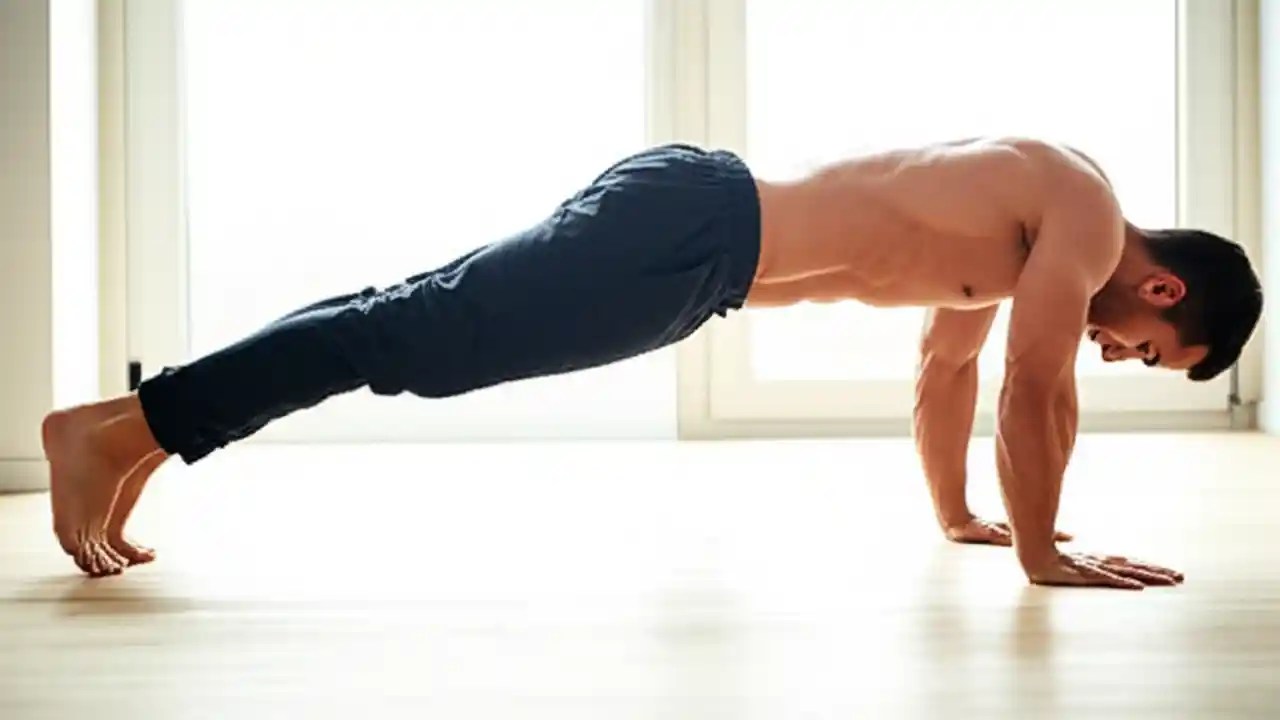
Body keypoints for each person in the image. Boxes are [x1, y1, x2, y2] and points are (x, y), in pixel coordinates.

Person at [42, 138, 1262, 587]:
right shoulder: (1084, 217)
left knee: (407, 325)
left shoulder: (1037, 225)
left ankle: (139, 429)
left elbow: (947, 375)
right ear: (1161, 287)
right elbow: (1030, 387)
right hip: (693, 236)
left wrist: (958, 518)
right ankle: (123, 429)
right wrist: (1046, 555)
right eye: (1144, 348)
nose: (1112, 350)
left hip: (693, 245)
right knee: (410, 337)